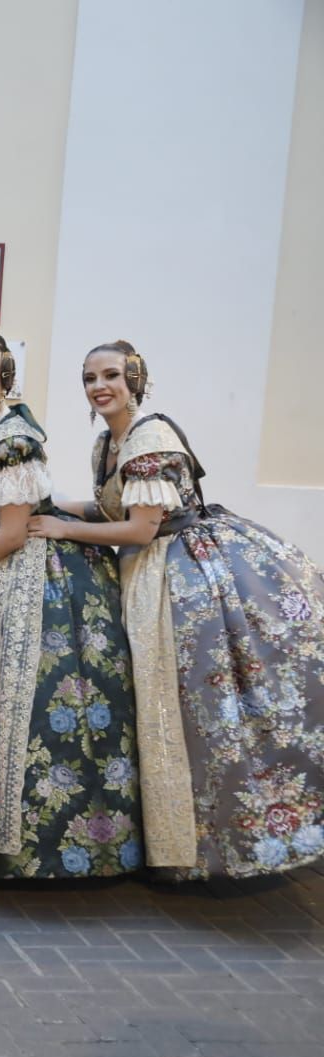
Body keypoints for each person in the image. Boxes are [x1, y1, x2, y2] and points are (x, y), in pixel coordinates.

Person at [36, 341, 324, 878]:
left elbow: (141, 529)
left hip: (181, 572)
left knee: (196, 702)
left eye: (112, 376)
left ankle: (218, 843)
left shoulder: (152, 438)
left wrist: (62, 527)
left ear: (135, 381)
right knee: (170, 702)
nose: (100, 387)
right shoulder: (108, 442)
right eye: (90, 378)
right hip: (151, 570)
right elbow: (110, 507)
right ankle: (176, 838)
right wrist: (48, 504)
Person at [0, 335, 142, 879]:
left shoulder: (14, 441)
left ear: (5, 381)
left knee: (23, 700)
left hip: (31, 577)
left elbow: (12, 533)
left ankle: (26, 847)